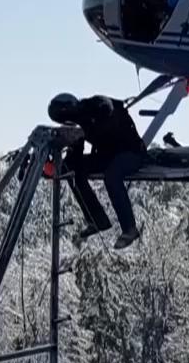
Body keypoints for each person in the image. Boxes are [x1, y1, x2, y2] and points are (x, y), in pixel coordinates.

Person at [47, 92, 146, 248]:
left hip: (131, 152)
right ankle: (97, 219)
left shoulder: (96, 105)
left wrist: (89, 128)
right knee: (72, 170)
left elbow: (111, 120)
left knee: (112, 176)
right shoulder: (80, 122)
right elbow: (76, 155)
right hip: (108, 155)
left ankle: (130, 229)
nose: (68, 124)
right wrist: (61, 162)